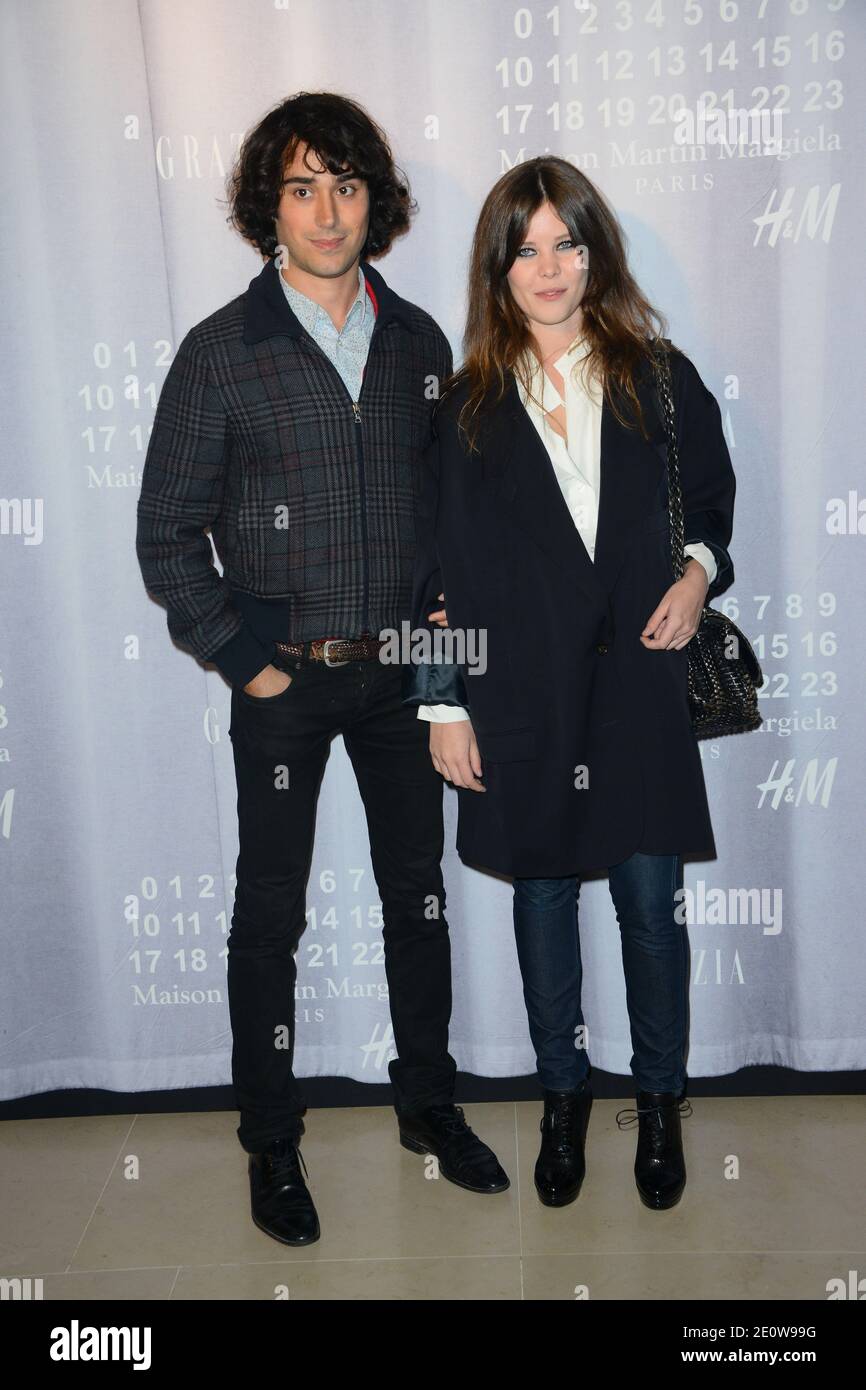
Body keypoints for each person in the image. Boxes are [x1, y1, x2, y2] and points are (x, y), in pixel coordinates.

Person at [135, 92, 508, 1249]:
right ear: (268, 206)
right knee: (270, 917)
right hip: (284, 685)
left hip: (403, 675)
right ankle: (270, 1138)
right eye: (301, 186)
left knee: (420, 900)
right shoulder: (221, 351)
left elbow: (449, 536)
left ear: (374, 202)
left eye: (345, 184)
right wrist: (246, 663)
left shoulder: (419, 347)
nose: (327, 209)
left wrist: (440, 678)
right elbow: (165, 534)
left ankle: (428, 1105)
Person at [403, 155, 736, 1212]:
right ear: (497, 268)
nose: (547, 268)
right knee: (542, 899)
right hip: (521, 698)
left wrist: (696, 574)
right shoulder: (462, 405)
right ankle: (560, 1102)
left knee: (650, 905)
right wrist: (441, 701)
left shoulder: (657, 376)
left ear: (594, 253)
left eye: (566, 243)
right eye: (525, 248)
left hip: (637, 684)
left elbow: (713, 504)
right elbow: (431, 566)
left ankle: (659, 1100)